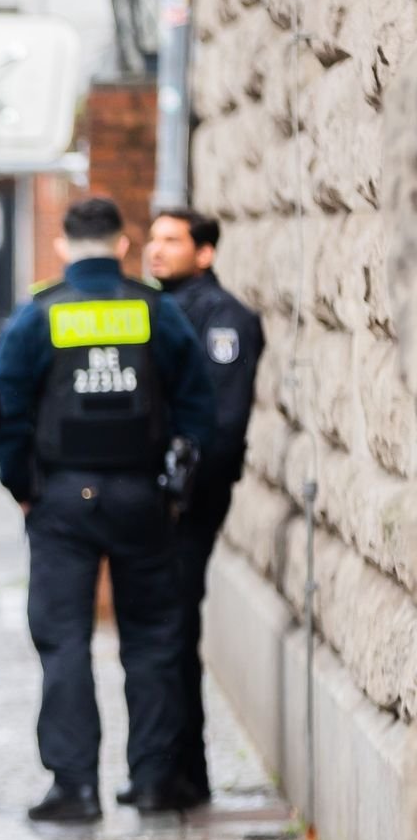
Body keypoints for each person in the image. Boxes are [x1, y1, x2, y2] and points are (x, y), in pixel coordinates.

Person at [0, 197, 216, 821]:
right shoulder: (156, 310)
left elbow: (4, 407)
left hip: (62, 498)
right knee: (152, 640)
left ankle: (75, 788)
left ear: (64, 246)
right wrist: (176, 484)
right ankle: (154, 782)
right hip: (142, 495)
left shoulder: (39, 314)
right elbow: (198, 405)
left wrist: (22, 486)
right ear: (122, 245)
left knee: (64, 640)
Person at [145, 207, 264, 806]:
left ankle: (181, 775)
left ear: (205, 253)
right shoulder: (158, 308)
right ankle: (176, 769)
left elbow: (220, 425)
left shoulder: (223, 318)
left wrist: (177, 498)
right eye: (153, 238)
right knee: (168, 630)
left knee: (172, 628)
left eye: (172, 240)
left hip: (188, 505)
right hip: (163, 502)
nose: (156, 249)